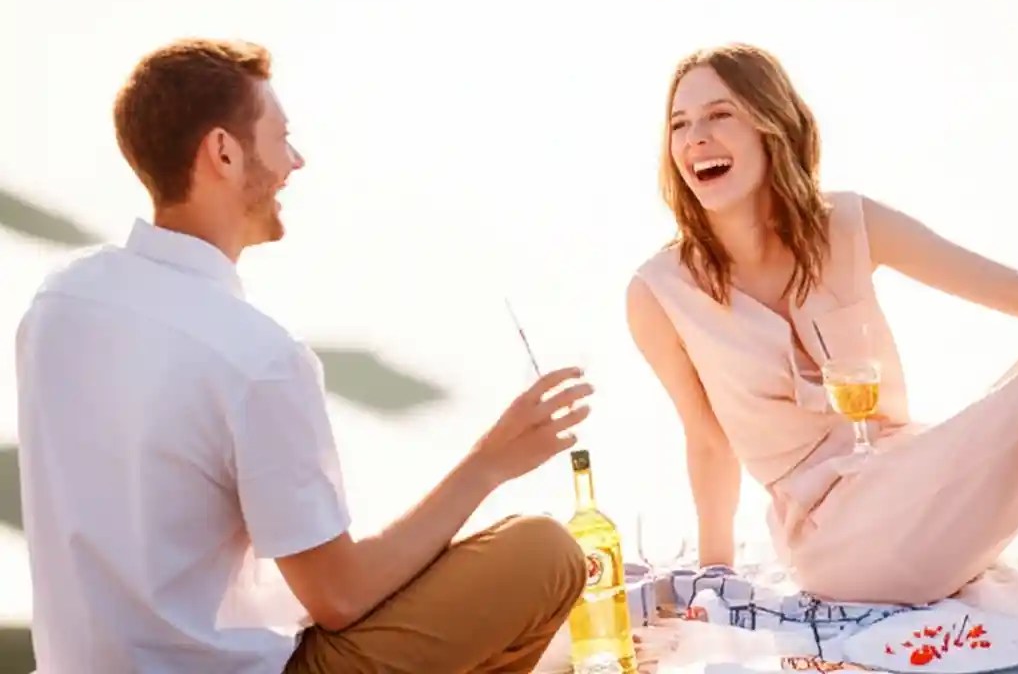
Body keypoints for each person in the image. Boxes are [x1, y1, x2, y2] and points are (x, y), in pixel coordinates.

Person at [624, 42, 1018, 674]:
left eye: (718, 115)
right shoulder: (660, 292)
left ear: (772, 125)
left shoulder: (847, 223)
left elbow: (1012, 289)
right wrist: (714, 588)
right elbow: (707, 442)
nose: (694, 139)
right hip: (833, 539)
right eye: (680, 124)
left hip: (911, 487)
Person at [15, 37, 593, 674]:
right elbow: (338, 596)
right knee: (545, 552)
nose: (296, 161)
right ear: (224, 153)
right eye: (281, 137)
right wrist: (488, 463)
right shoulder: (256, 357)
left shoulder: (60, 301)